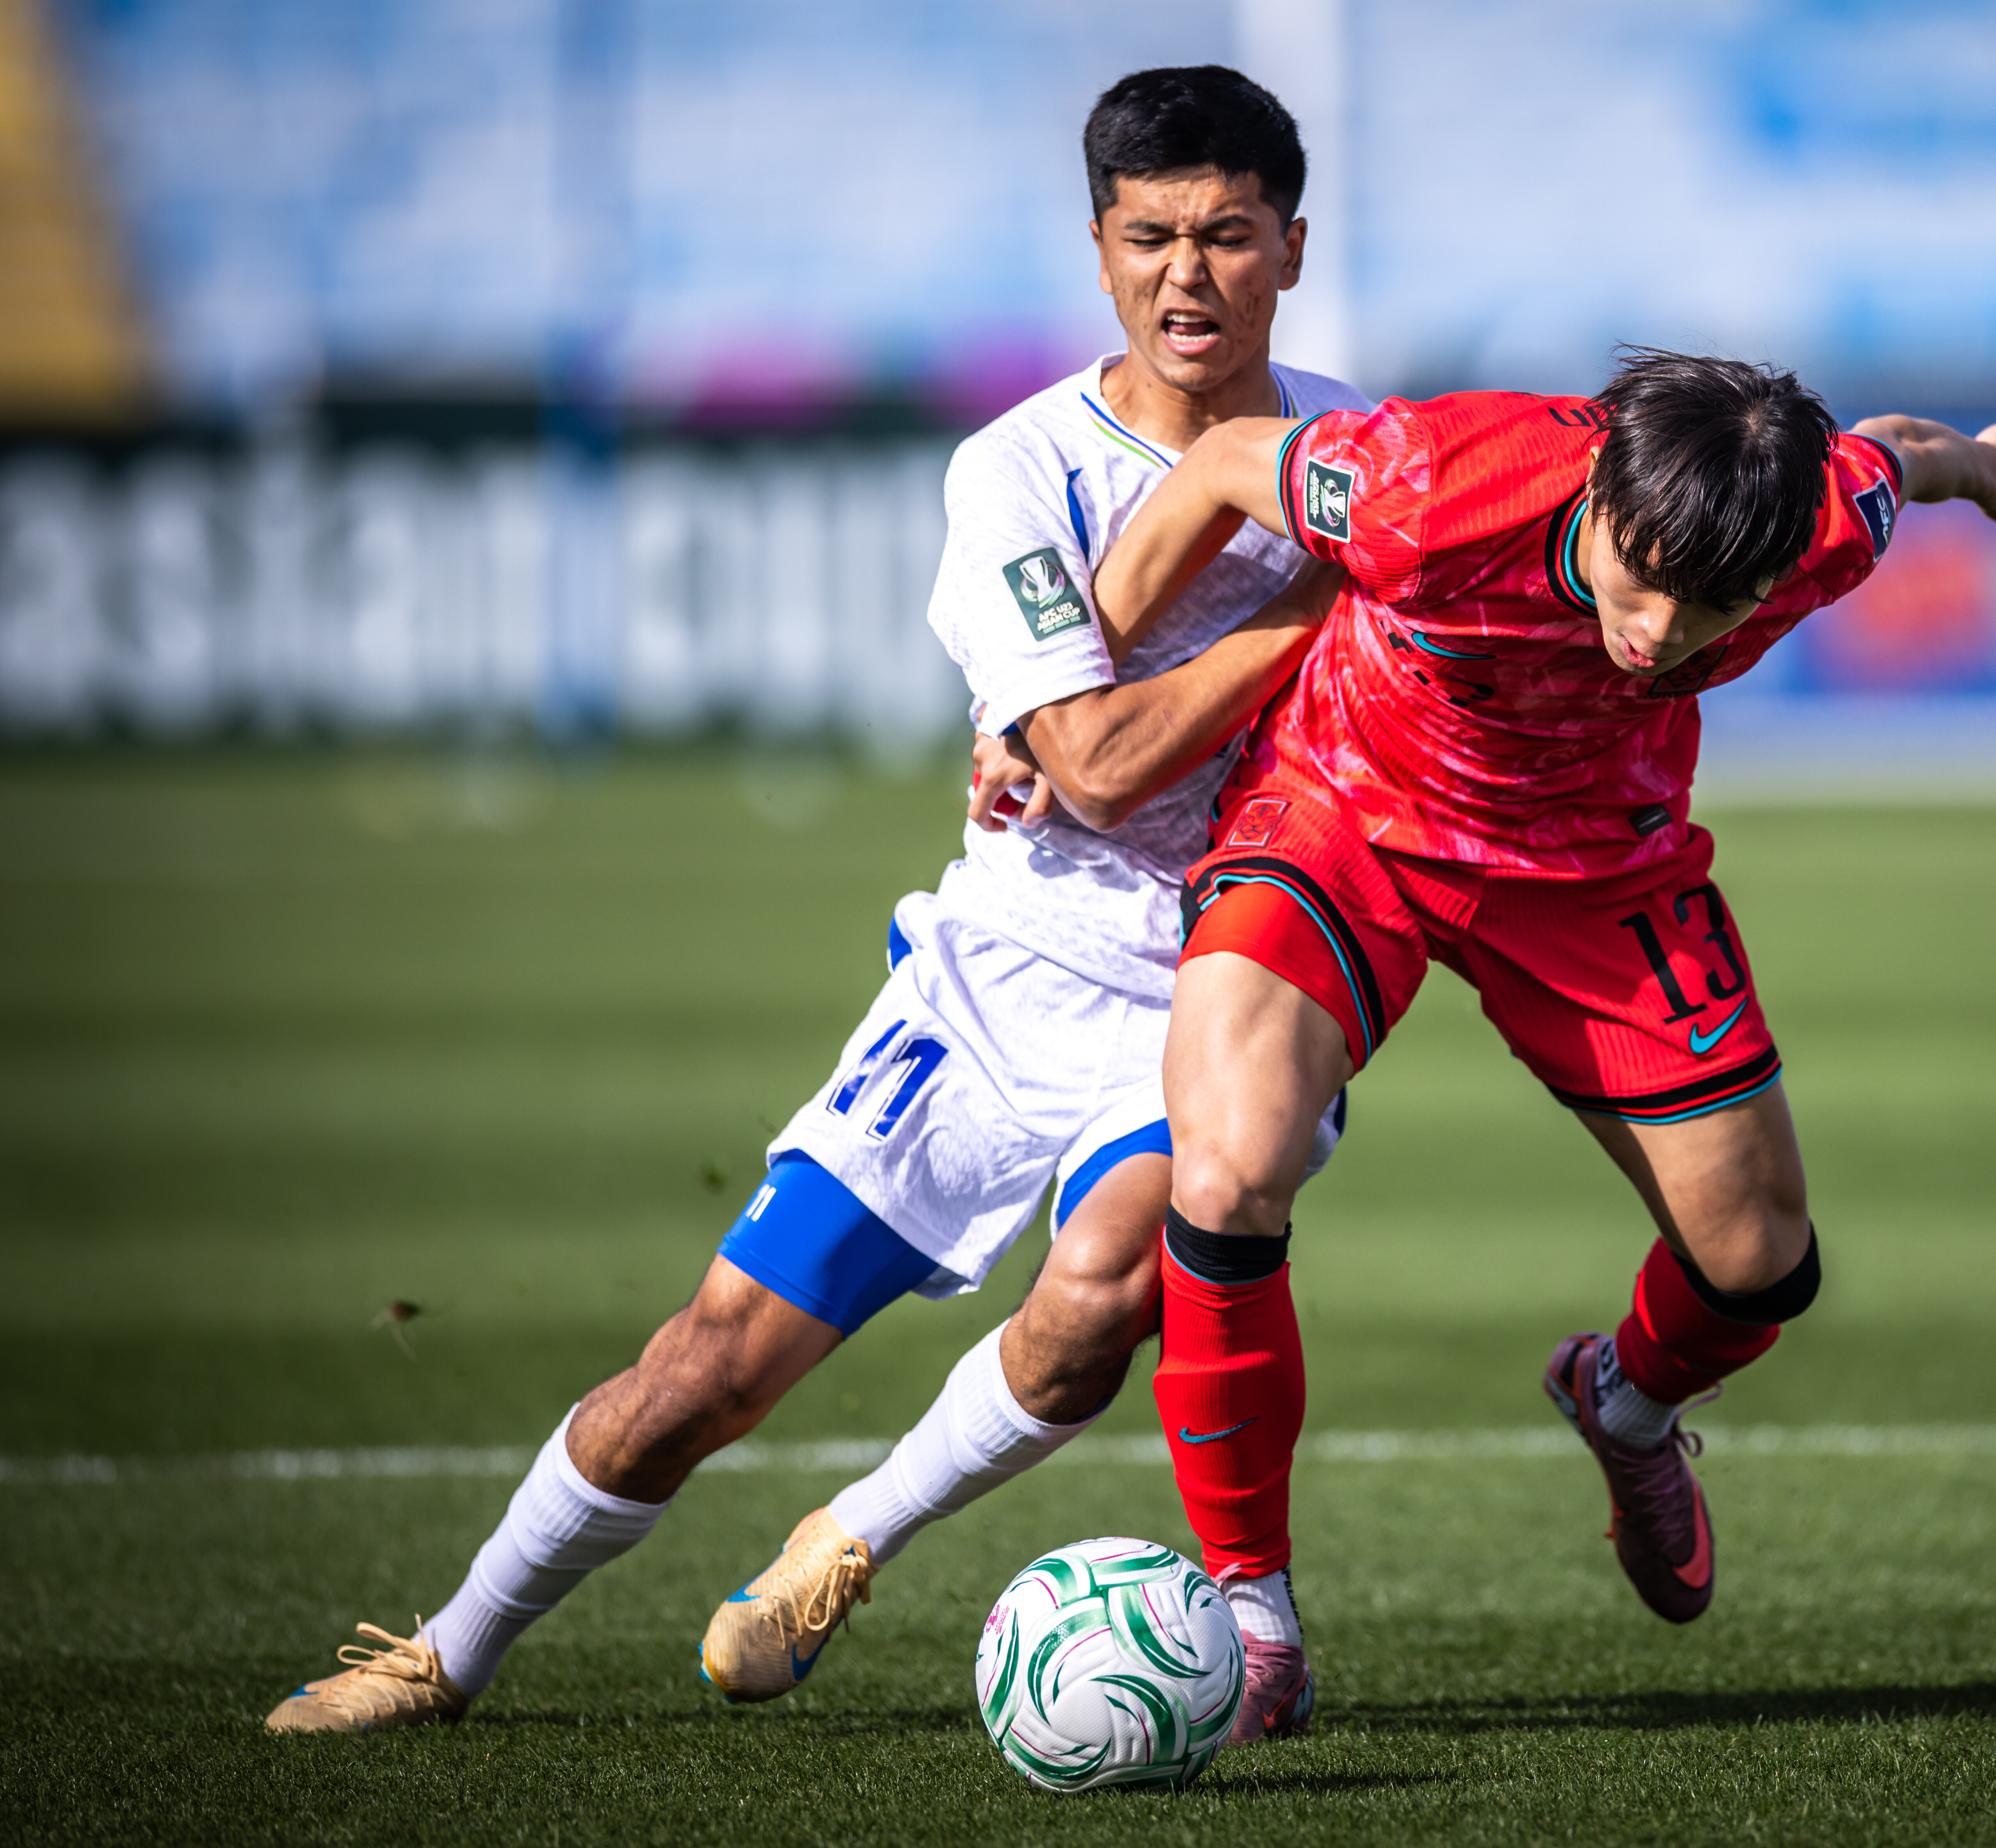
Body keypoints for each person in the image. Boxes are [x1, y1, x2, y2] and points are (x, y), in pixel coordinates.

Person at [263, 64, 1360, 1741]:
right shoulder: (1019, 470)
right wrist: (1318, 619)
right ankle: (448, 1650)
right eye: (1150, 238)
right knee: (700, 1367)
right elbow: (1093, 764)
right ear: (1097, 247)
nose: (1186, 276)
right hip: (1001, 973)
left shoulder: (1363, 456)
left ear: (1291, 242)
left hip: (1233, 984)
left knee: (1109, 1292)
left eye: (1226, 236)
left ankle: (843, 1539)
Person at [1067, 351, 1996, 1624]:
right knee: (1223, 1176)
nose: (1656, 632)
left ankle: (1625, 1402)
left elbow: (1896, 450)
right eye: (1642, 576)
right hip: (1346, 809)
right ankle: (1250, 1612)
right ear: (1600, 482)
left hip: (1594, 863)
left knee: (1760, 1261)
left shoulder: (1823, 520)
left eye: (1709, 608)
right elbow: (1219, 463)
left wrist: (1991, 472)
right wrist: (1061, 690)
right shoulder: (1427, 485)